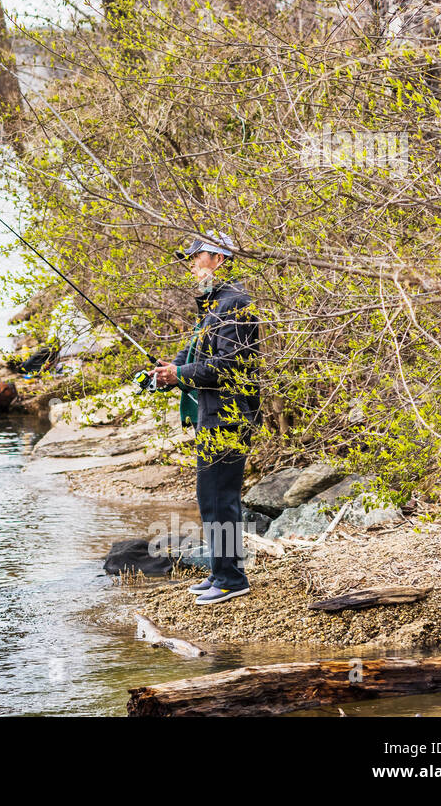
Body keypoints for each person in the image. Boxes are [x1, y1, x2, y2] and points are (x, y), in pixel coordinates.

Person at [151, 232, 262, 605]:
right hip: (213, 414)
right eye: (191, 260)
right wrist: (170, 371)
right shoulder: (215, 306)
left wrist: (180, 376)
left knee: (220, 498)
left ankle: (231, 580)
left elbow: (228, 365)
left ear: (219, 259)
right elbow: (194, 352)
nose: (192, 267)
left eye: (196, 259)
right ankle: (220, 571)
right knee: (210, 498)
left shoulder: (235, 305)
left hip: (231, 416)